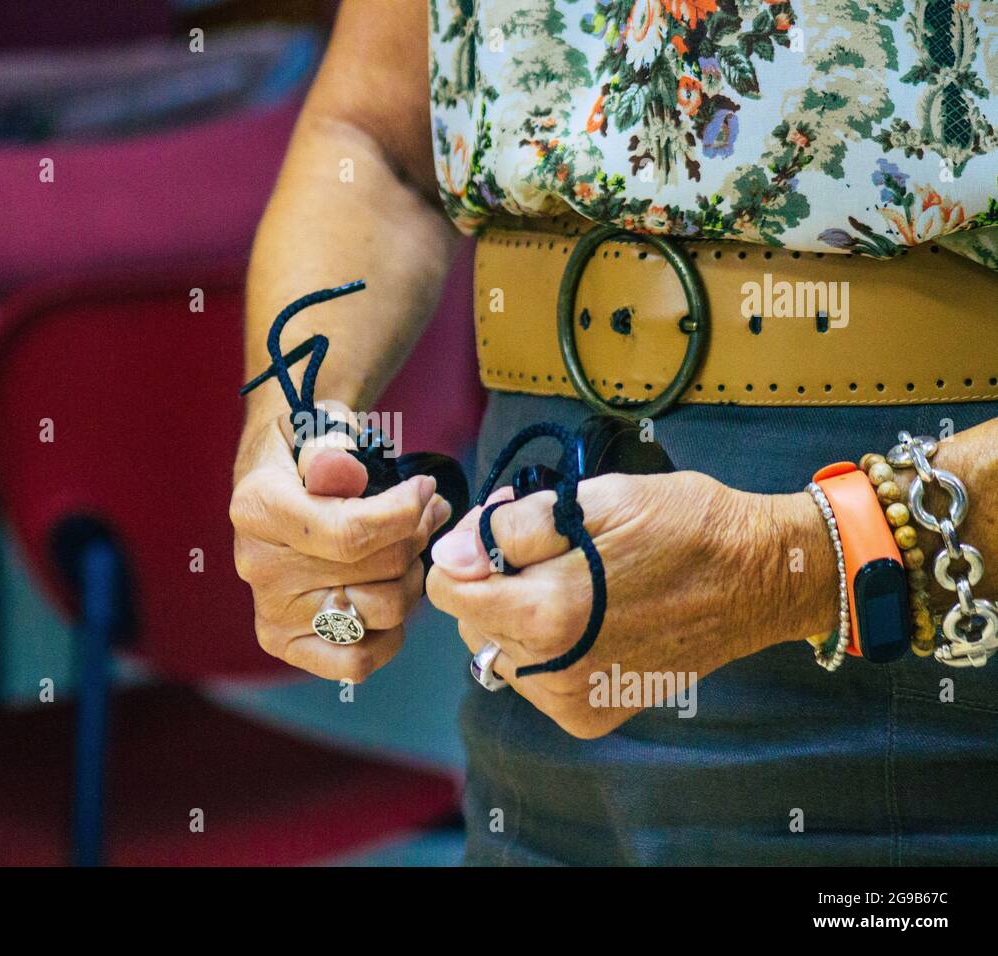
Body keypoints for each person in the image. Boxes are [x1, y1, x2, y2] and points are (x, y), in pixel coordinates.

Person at [229, 0, 998, 864]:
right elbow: (373, 144)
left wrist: (810, 559)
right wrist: (295, 434)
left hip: (933, 656)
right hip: (532, 661)